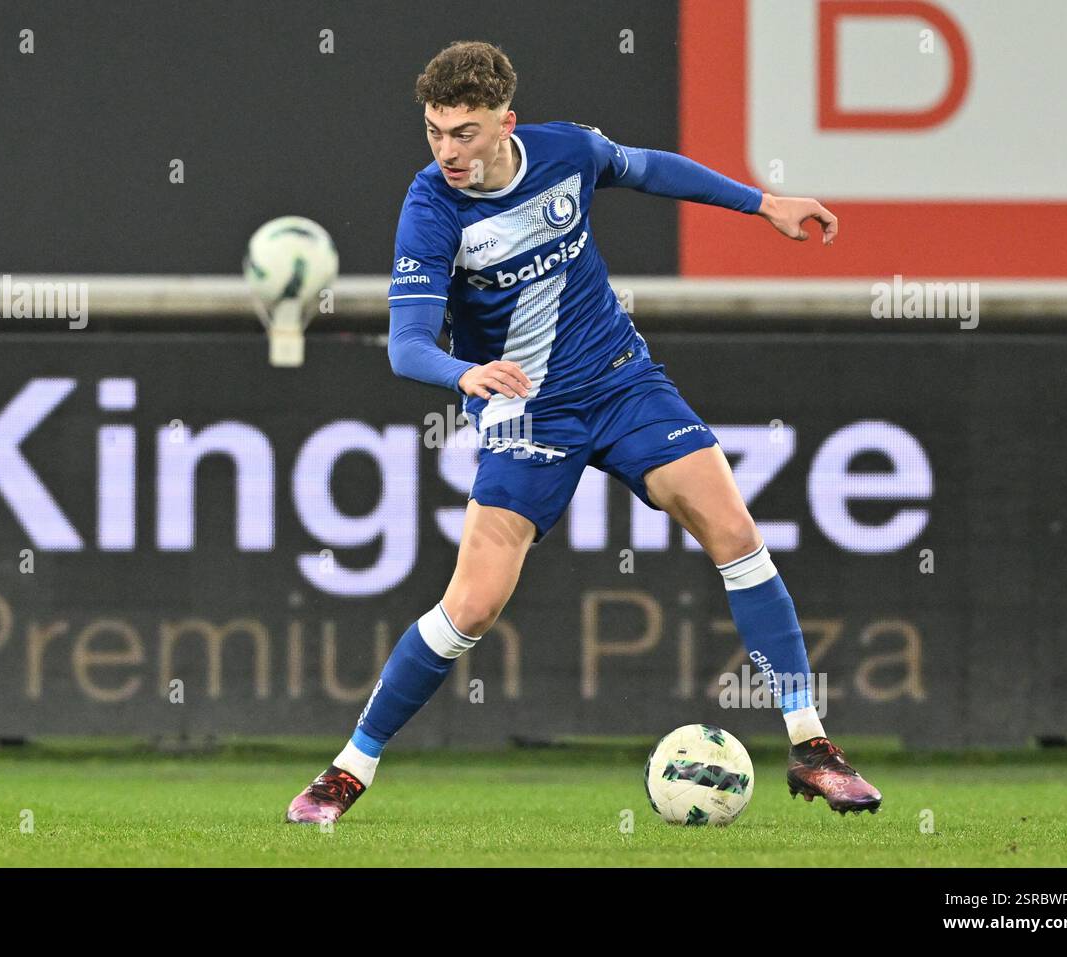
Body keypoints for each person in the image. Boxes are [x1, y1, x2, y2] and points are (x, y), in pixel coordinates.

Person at [286, 40, 881, 824]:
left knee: (734, 530)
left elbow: (650, 169)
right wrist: (463, 374)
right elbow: (406, 346)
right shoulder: (431, 207)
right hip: (527, 412)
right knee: (471, 607)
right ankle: (347, 770)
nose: (446, 150)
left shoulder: (566, 151)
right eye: (434, 130)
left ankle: (811, 746)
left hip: (621, 380)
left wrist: (761, 203)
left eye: (464, 132)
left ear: (507, 123)